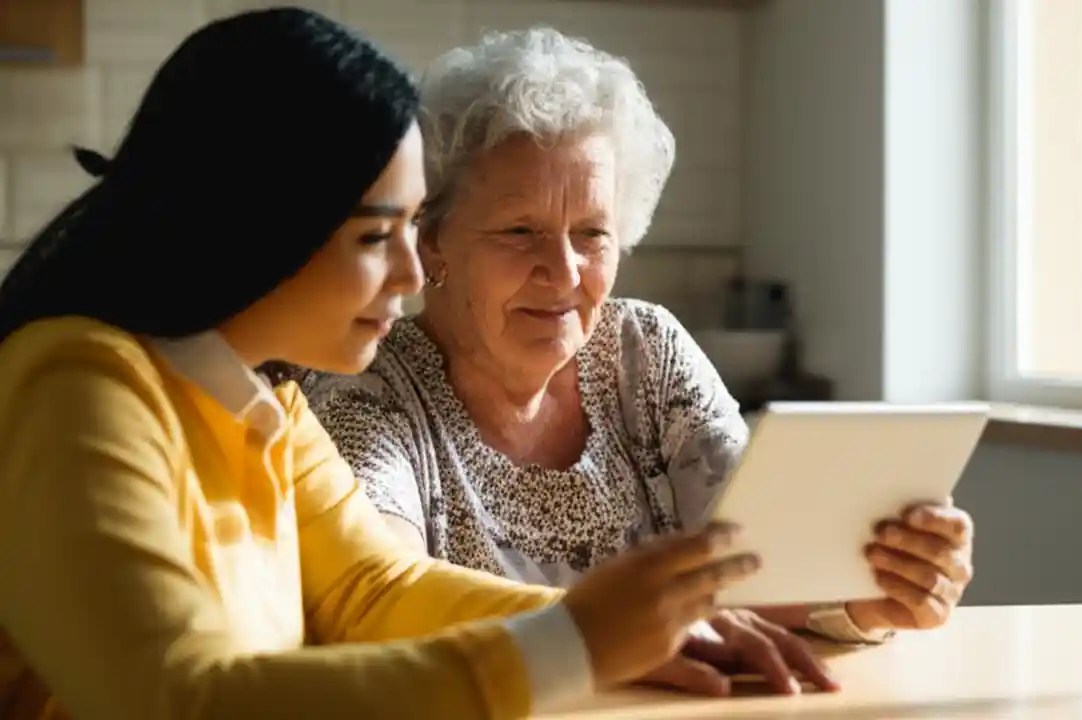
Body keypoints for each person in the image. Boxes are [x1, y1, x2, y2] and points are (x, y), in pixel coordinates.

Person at [0, 9, 792, 719]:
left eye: (413, 229)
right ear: (264, 223)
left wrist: (633, 629)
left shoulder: (261, 399)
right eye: (378, 237)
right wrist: (575, 644)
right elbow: (180, 699)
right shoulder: (82, 393)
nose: (412, 273)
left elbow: (375, 590)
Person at [298, 24, 977, 674]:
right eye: (519, 232)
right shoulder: (366, 388)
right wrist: (613, 633)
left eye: (591, 233)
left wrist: (868, 594)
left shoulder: (644, 351)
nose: (564, 272)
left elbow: (753, 566)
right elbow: (384, 602)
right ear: (432, 239)